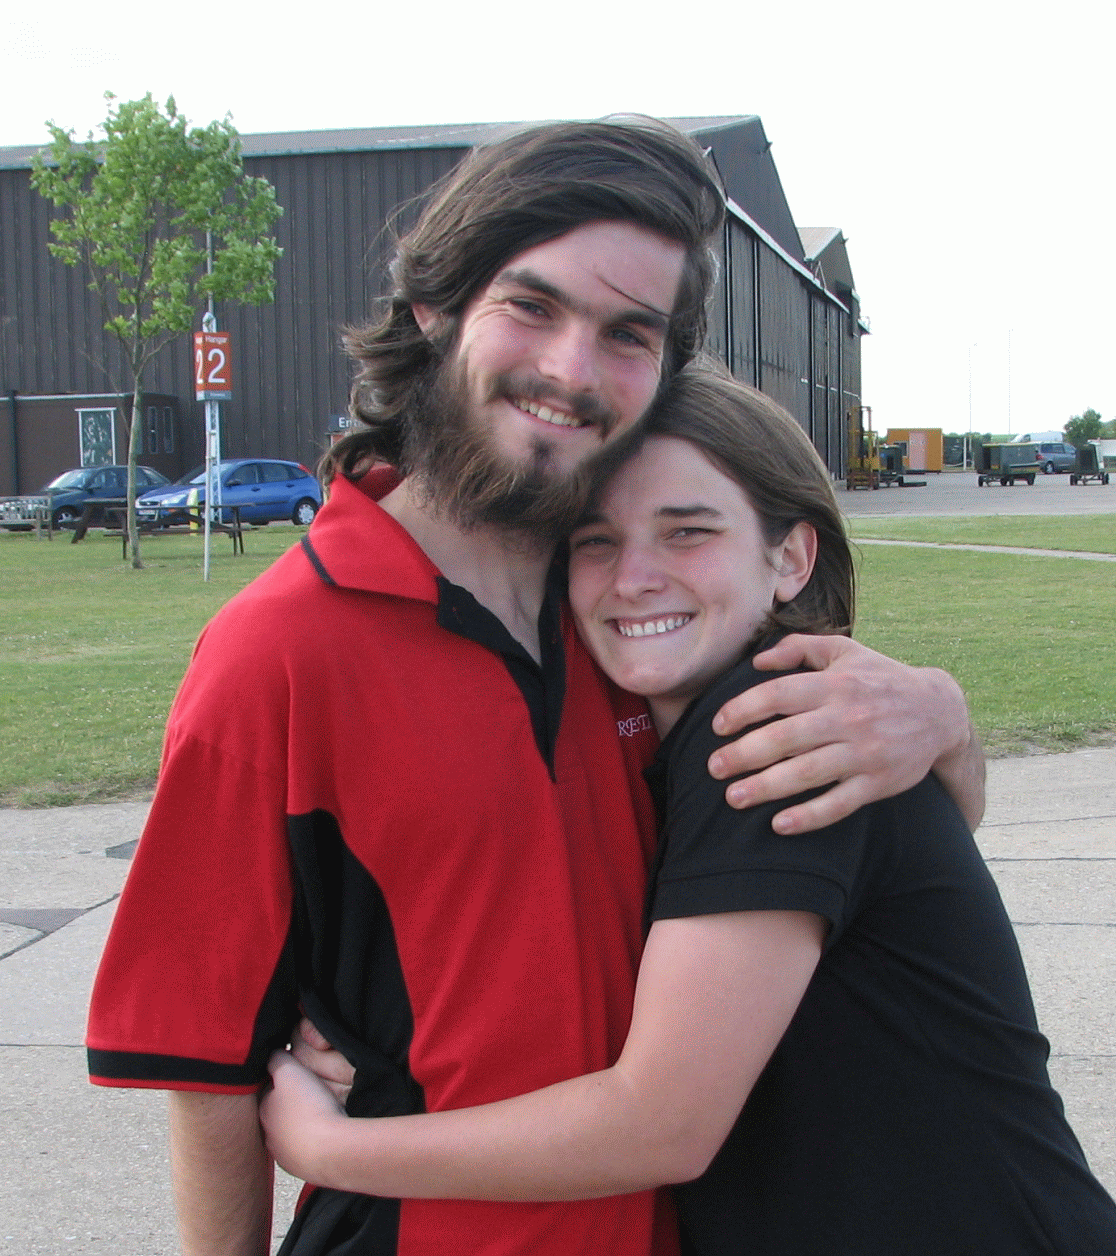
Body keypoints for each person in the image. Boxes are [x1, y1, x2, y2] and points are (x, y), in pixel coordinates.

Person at [86, 118, 982, 1256]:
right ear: (436, 306)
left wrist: (946, 721)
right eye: (533, 304)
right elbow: (207, 1063)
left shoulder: (636, 624)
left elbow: (851, 860)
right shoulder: (277, 656)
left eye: (627, 332)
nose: (571, 368)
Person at [261, 364, 1116, 1254]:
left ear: (789, 557)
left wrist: (335, 1147)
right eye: (595, 540)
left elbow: (659, 1125)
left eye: (689, 531)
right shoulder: (677, 736)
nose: (634, 578)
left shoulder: (775, 734)